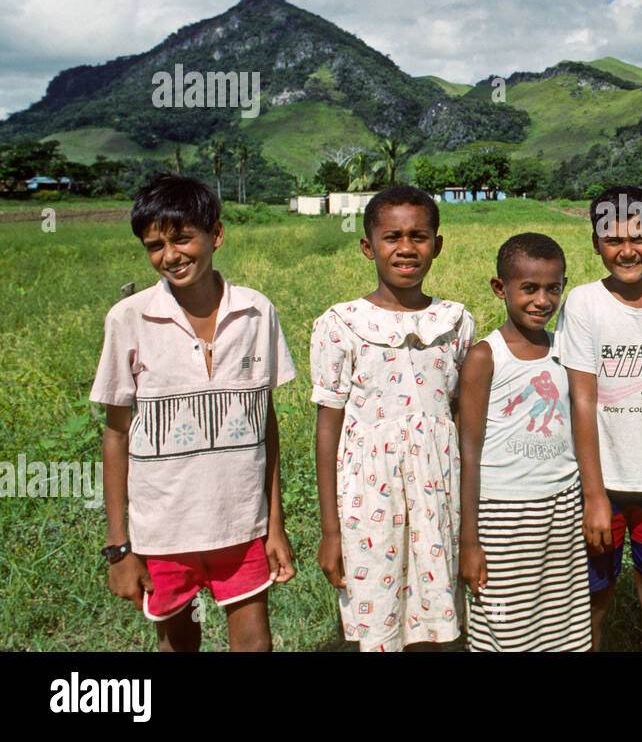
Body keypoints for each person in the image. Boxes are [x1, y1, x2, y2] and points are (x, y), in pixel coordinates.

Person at [91, 174, 296, 651]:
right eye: (155, 245)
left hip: (241, 522)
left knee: (255, 643)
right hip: (163, 528)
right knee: (178, 642)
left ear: (216, 235)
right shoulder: (129, 318)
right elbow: (116, 434)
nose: (170, 255)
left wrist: (275, 525)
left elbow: (265, 425)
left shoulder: (256, 312)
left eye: (182, 238)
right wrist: (120, 547)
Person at [310, 185, 475, 652]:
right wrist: (330, 531)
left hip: (438, 490)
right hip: (368, 497)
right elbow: (328, 429)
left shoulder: (455, 322)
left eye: (419, 236)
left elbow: (460, 417)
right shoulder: (341, 324)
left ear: (437, 245)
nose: (406, 248)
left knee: (434, 616)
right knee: (378, 615)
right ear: (368, 247)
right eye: (392, 237)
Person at [555, 185, 642, 651]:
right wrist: (594, 494)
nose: (627, 250)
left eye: (639, 237)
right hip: (604, 482)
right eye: (613, 239)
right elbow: (582, 399)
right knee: (593, 596)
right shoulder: (582, 304)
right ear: (595, 244)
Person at [457, 233, 590, 651]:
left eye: (553, 288)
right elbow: (469, 452)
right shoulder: (485, 356)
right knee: (506, 626)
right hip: (504, 517)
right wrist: (469, 540)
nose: (542, 300)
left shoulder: (565, 348)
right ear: (501, 288)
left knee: (561, 627)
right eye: (529, 288)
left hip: (562, 506)